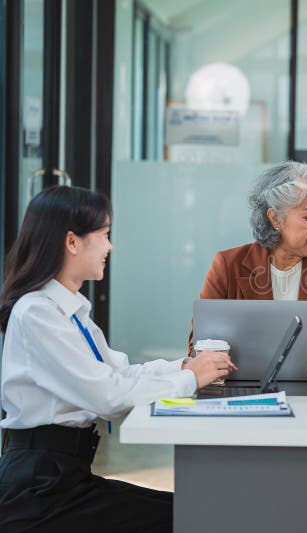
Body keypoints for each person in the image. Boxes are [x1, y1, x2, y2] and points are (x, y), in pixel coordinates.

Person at [0, 186, 236, 532]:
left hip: (62, 477)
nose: (109, 247)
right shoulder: (38, 313)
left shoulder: (70, 310)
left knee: (187, 511)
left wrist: (183, 366)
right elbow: (108, 396)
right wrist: (190, 379)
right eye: (105, 235)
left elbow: (118, 371)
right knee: (185, 517)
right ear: (72, 242)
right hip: (40, 491)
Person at [192, 161, 307, 371]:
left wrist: (293, 359)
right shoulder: (227, 264)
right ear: (275, 218)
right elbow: (198, 348)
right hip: (241, 386)